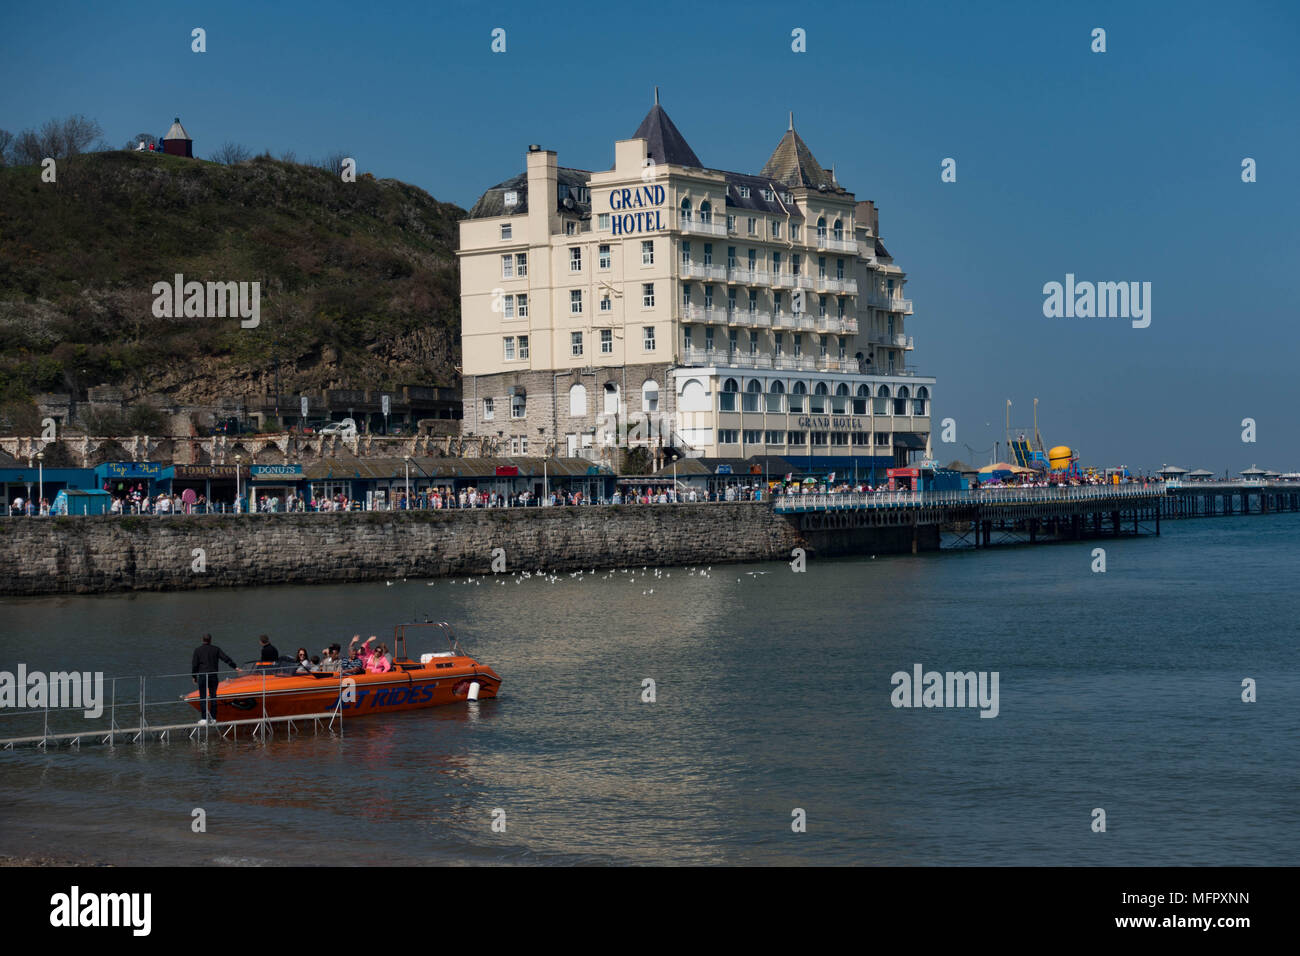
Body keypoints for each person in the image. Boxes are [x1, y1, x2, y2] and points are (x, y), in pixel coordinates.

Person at [191, 634, 240, 725]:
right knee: (213, 696)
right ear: (210, 640)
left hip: (202, 675)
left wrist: (194, 676)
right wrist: (235, 667)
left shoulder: (197, 650)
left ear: (202, 640)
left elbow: (195, 665)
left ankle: (204, 718)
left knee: (203, 697)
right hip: (213, 675)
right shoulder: (216, 649)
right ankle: (213, 718)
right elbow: (225, 658)